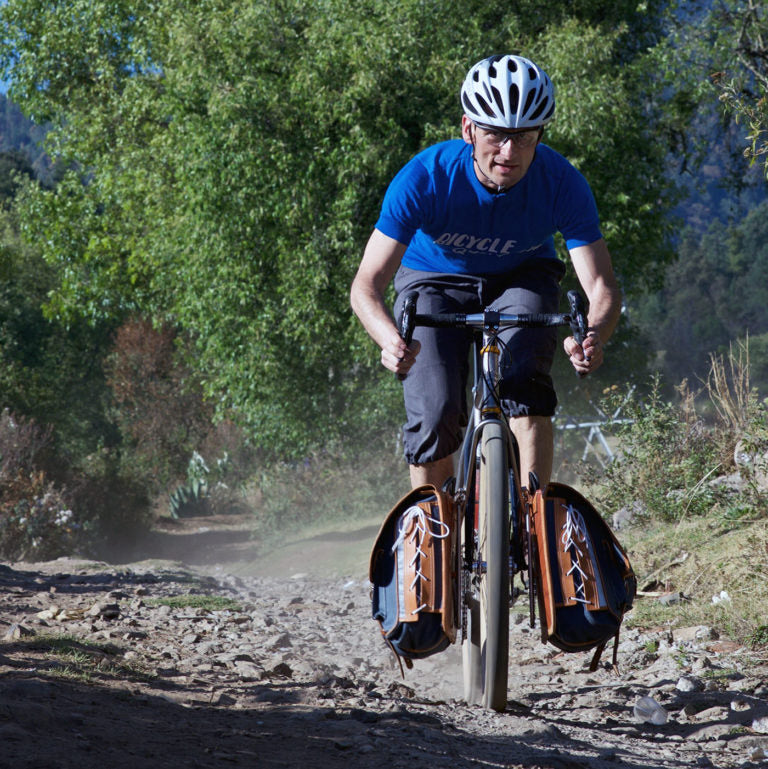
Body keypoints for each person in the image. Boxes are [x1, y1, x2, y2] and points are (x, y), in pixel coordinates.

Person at [350, 54, 621, 491]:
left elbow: (602, 286)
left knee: (526, 389)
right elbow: (366, 286)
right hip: (433, 280)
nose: (509, 153)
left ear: (540, 135)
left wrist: (593, 336)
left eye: (524, 137)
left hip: (522, 276)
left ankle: (535, 518)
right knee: (436, 410)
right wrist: (389, 341)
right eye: (495, 134)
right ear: (468, 129)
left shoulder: (562, 182)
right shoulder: (424, 177)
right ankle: (432, 526)